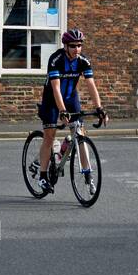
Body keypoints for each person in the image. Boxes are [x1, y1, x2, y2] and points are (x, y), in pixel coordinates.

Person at [29, 28, 107, 191]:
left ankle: (88, 173)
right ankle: (42, 176)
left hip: (71, 97)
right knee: (49, 136)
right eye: (73, 46)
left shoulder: (83, 60)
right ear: (65, 46)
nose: (77, 49)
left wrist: (99, 108)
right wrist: (62, 111)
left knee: (79, 133)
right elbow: (56, 88)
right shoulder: (55, 59)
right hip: (51, 99)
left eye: (79, 45)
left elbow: (91, 84)